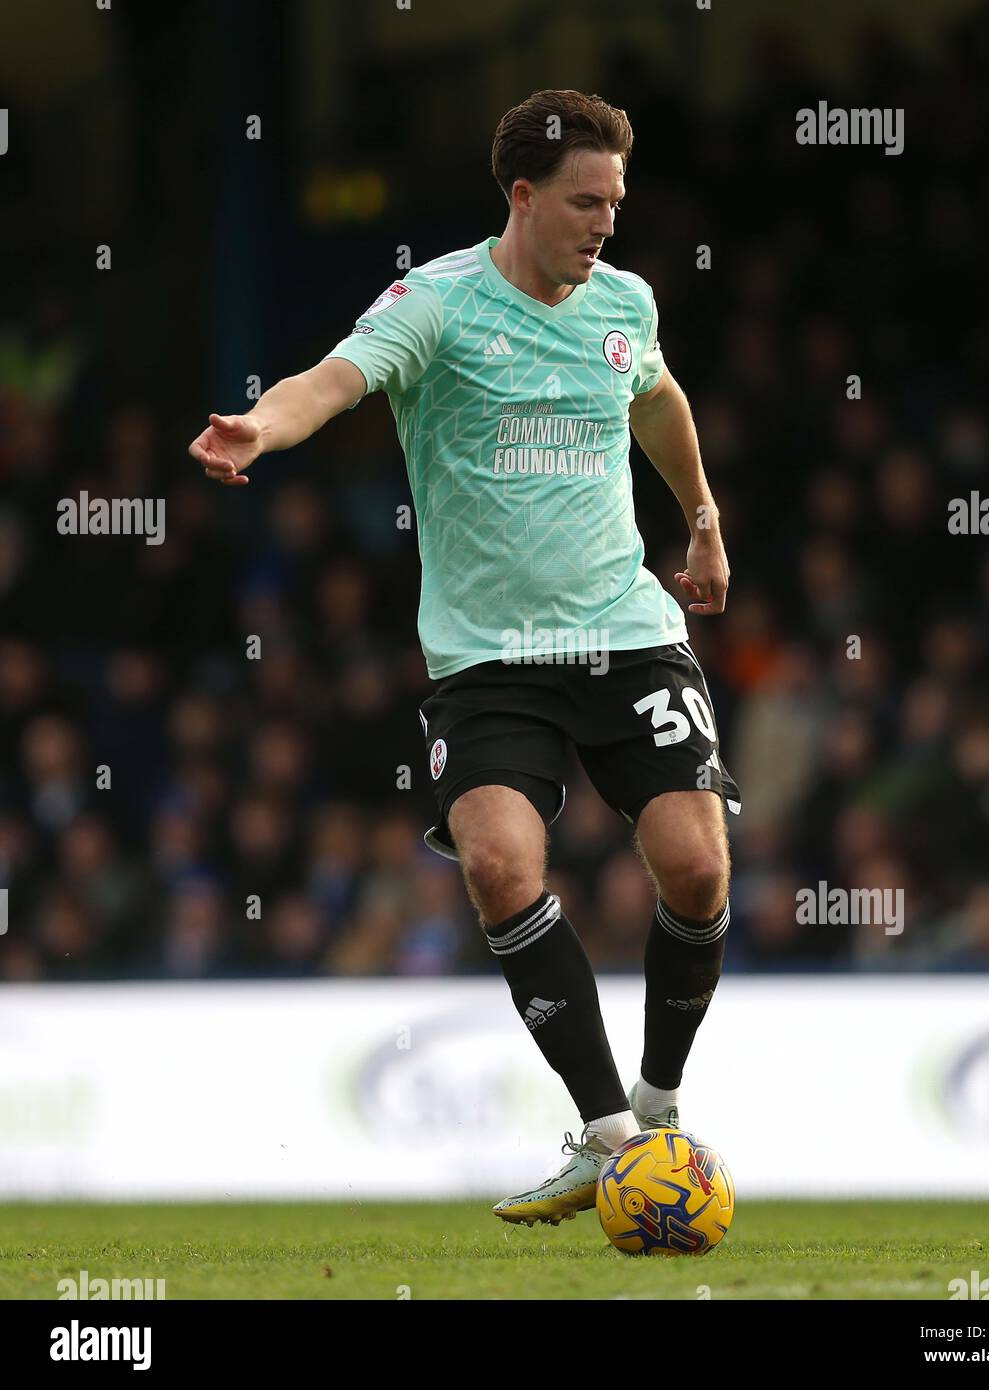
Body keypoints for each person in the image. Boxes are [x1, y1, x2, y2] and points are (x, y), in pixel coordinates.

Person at [189, 89, 740, 1226]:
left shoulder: (622, 302)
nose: (604, 224)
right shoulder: (433, 303)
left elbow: (656, 393)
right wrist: (263, 427)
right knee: (497, 863)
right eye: (585, 202)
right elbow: (331, 381)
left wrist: (699, 513)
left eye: (617, 204)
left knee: (695, 867)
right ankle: (606, 1137)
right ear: (524, 196)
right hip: (489, 660)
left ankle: (657, 1102)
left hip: (627, 635)